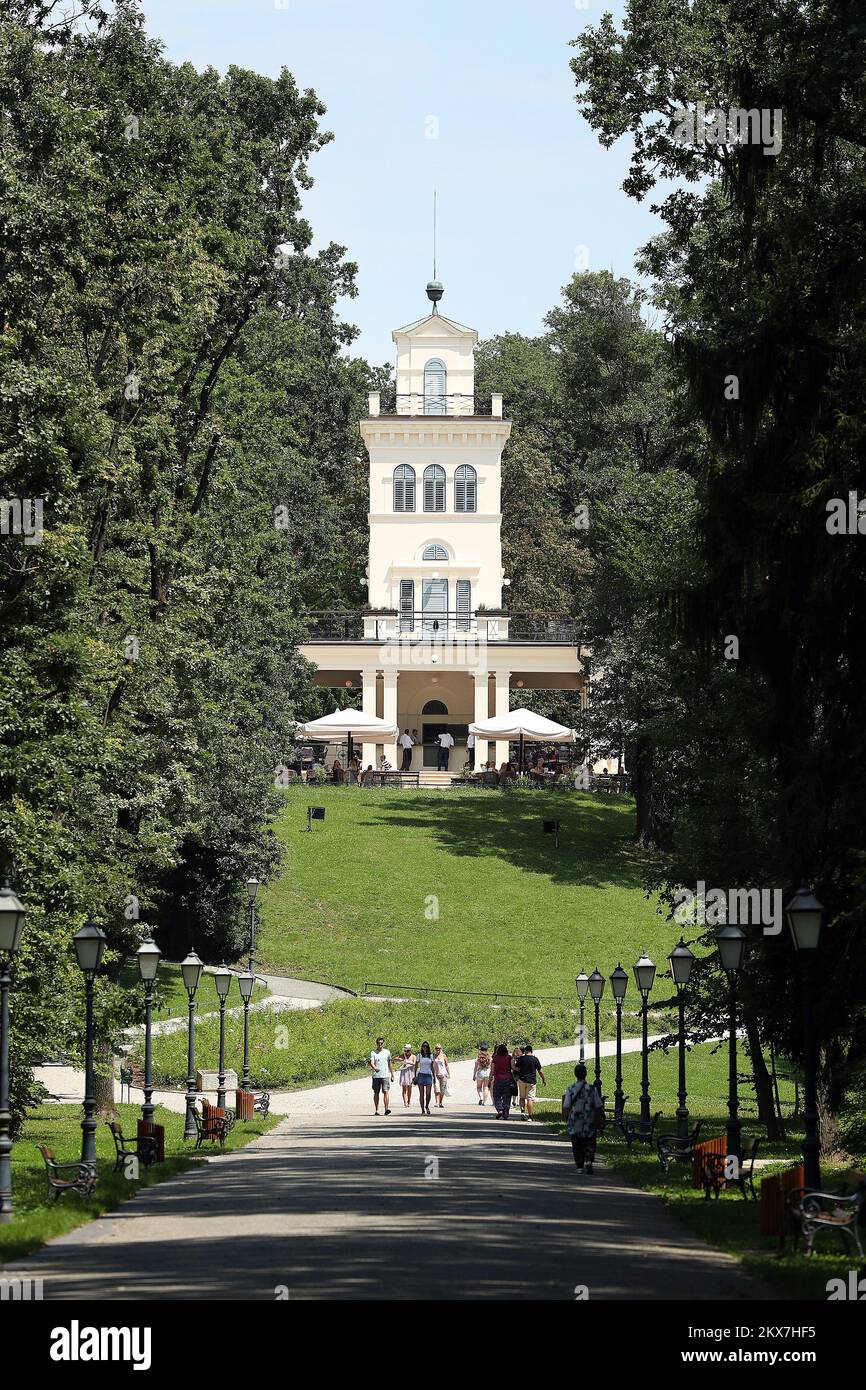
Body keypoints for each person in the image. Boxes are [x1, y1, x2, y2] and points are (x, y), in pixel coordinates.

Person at [562, 1062, 605, 1173]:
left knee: (576, 1143)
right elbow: (598, 1105)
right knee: (590, 1141)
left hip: (575, 1120)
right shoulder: (592, 1089)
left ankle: (579, 1165)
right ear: (585, 1074)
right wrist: (599, 1120)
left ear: (575, 1074)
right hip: (589, 1119)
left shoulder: (571, 1089)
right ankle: (589, 1160)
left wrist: (566, 1118)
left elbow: (566, 1106)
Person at [515, 1043, 546, 1122]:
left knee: (522, 1097)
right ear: (532, 1051)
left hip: (522, 1080)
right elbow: (540, 1071)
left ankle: (522, 1113)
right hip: (531, 1082)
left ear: (525, 1051)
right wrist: (543, 1079)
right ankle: (530, 1116)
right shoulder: (535, 1059)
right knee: (530, 1099)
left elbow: (516, 1067)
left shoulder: (522, 1059)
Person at [369, 1035, 393, 1115]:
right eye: (378, 1043)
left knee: (386, 1091)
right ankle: (377, 1110)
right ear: (376, 1044)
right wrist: (374, 1067)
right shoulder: (373, 1052)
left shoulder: (387, 1052)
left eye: (381, 1043)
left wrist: (392, 1074)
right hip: (376, 1075)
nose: (380, 1045)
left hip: (385, 1075)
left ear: (383, 1043)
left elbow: (390, 1063)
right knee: (376, 1092)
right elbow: (371, 1062)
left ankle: (386, 1109)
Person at [491, 1044, 515, 1119]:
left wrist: (490, 1079)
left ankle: (500, 1110)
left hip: (498, 1079)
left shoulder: (495, 1058)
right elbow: (513, 1067)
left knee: (496, 1095)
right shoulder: (509, 1057)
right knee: (507, 1096)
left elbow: (492, 1070)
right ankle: (506, 1110)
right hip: (508, 1079)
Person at [415, 1041, 435, 1114]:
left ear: (428, 1047)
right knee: (421, 1094)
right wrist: (415, 1076)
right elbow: (416, 1066)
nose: (425, 1047)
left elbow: (432, 1066)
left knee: (428, 1093)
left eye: (426, 1046)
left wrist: (434, 1076)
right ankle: (422, 1109)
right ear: (422, 1047)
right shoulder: (419, 1055)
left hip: (428, 1075)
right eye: (423, 1046)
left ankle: (427, 1105)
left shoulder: (431, 1056)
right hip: (421, 1075)